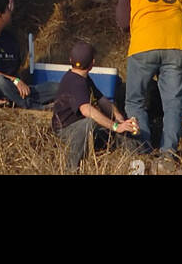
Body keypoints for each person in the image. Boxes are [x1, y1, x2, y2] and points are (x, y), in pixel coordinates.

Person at [116, 0, 182, 162]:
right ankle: (168, 155)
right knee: (174, 104)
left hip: (144, 44)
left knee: (135, 101)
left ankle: (144, 151)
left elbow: (122, 20)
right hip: (177, 44)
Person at [51, 39, 136, 168]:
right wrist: (115, 126)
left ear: (70, 60)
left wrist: (119, 118)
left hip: (79, 125)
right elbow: (86, 110)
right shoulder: (76, 82)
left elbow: (101, 99)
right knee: (90, 123)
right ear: (92, 64)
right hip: (65, 129)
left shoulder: (83, 78)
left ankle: (135, 157)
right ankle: (71, 167)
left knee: (114, 131)